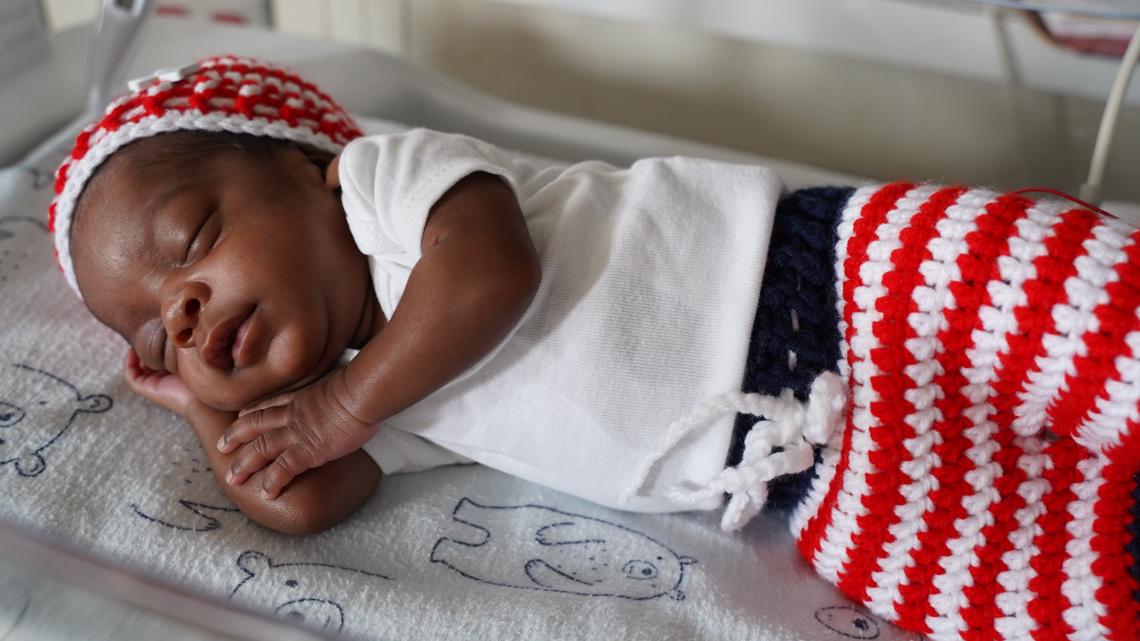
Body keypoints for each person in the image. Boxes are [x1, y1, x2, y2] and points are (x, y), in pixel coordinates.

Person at [51, 56, 1139, 640]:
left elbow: (490, 274)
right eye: (155, 331)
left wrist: (341, 408)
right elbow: (305, 500)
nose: (183, 314)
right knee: (1022, 584)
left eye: (190, 242)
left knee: (1072, 302)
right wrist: (205, 409)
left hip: (848, 281)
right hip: (802, 470)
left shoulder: (385, 194)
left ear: (304, 166)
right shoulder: (384, 400)